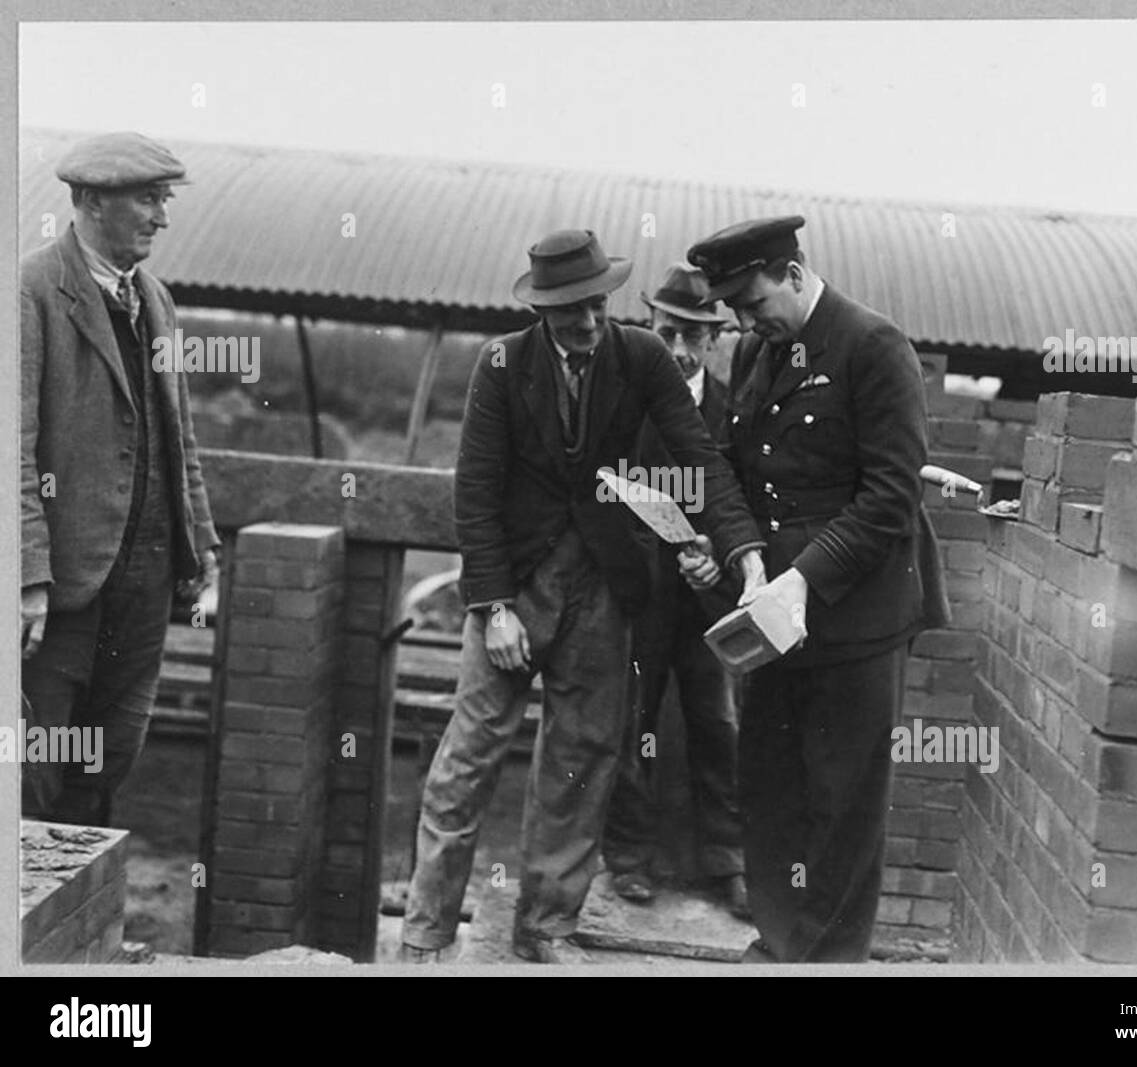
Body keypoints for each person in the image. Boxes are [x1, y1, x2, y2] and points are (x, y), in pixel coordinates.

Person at [401, 229, 765, 964]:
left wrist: (741, 549)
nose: (590, 323)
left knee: (581, 759)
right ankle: (425, 934)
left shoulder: (641, 356)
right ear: (542, 309)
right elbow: (474, 492)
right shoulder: (501, 364)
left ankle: (546, 927)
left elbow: (700, 459)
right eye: (572, 311)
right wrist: (494, 606)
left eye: (598, 304)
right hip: (519, 587)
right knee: (467, 759)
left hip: (604, 588)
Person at [683, 216, 950, 963]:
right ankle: (778, 942)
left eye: (754, 299)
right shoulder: (757, 352)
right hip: (771, 615)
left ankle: (826, 958)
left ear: (793, 272)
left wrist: (802, 578)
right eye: (733, 309)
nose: (744, 320)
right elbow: (730, 470)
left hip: (856, 615)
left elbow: (892, 495)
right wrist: (740, 557)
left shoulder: (873, 346)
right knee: (769, 783)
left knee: (842, 799)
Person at [20, 131, 219, 827]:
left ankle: (83, 931)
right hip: (63, 589)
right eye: (147, 198)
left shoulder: (156, 300)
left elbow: (179, 437)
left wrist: (201, 551)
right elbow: (11, 449)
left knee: (109, 762)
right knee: (33, 771)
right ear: (90, 200)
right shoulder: (31, 291)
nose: (161, 216)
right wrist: (26, 578)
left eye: (163, 199)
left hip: (144, 582)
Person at [601, 263, 748, 918]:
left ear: (715, 337)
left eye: (695, 335)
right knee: (632, 717)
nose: (682, 348)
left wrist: (716, 554)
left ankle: (729, 861)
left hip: (706, 594)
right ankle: (627, 857)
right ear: (649, 328)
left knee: (718, 723)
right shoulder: (624, 401)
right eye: (669, 332)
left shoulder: (732, 409)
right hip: (641, 590)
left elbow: (738, 498)